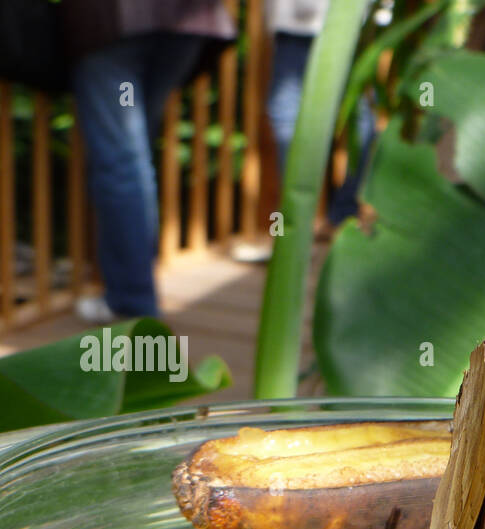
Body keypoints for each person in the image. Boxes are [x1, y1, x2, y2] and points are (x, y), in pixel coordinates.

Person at [61, 1, 236, 322]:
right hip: (186, 22)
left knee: (123, 162)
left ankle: (132, 299)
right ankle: (135, 289)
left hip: (117, 23)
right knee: (133, 157)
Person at [232, 0, 377, 263]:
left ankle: (294, 233)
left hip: (313, 16)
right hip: (350, 16)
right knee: (357, 112)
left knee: (289, 111)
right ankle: (336, 219)